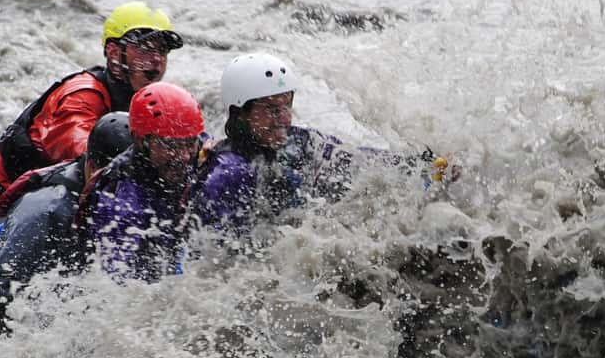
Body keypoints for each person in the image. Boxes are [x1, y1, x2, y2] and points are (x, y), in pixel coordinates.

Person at [0, 1, 183, 235]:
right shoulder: (81, 95)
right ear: (114, 52)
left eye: (162, 51)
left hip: (69, 199)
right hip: (3, 212)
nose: (156, 60)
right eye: (145, 48)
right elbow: (85, 154)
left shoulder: (152, 101)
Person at [189, 52, 448, 237]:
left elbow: (358, 161)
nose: (282, 119)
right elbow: (211, 256)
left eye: (286, 106)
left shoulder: (300, 142)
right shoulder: (226, 174)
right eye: (269, 109)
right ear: (239, 114)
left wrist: (419, 166)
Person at [0, 112, 132, 333]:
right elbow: (2, 284)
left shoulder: (127, 190)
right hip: (34, 279)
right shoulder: (46, 208)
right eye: (118, 182)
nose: (125, 191)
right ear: (92, 166)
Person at [85, 82, 204, 282]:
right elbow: (119, 289)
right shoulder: (121, 203)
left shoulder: (197, 148)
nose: (183, 156)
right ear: (140, 140)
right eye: (170, 145)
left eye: (189, 143)